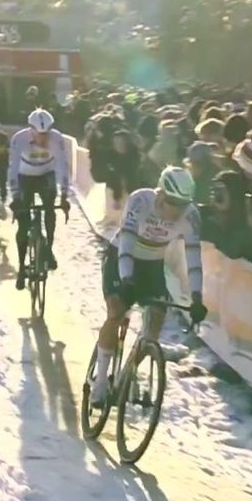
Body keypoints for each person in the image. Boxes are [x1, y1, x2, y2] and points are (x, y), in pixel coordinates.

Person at [89, 166, 207, 407]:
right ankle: (100, 382)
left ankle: (127, 375)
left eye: (184, 204)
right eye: (175, 203)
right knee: (115, 312)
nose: (179, 211)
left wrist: (197, 297)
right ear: (162, 195)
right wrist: (126, 277)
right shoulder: (141, 200)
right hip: (122, 257)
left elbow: (194, 258)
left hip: (152, 266)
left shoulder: (191, 214)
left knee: (153, 327)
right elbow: (128, 241)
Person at [8, 108, 72, 288]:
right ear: (31, 130)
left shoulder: (56, 138)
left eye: (46, 134)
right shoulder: (18, 139)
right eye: (39, 134)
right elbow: (12, 169)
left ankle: (48, 249)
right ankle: (21, 268)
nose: (43, 138)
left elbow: (62, 166)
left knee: (50, 209)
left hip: (47, 174)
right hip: (24, 177)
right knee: (23, 223)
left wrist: (65, 195)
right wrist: (15, 196)